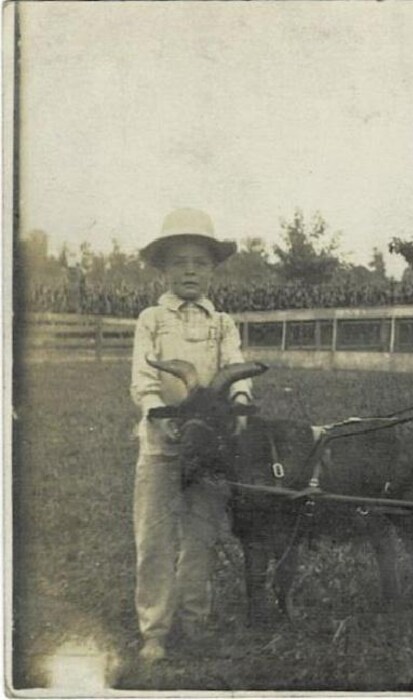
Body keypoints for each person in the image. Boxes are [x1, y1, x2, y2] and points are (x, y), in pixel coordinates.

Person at [129, 208, 252, 663]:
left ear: (213, 269)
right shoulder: (152, 319)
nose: (189, 271)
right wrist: (156, 414)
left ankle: (195, 619)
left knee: (201, 535)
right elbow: (143, 378)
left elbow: (236, 367)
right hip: (163, 444)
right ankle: (155, 629)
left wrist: (241, 399)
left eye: (200, 263)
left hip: (209, 446)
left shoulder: (221, 324)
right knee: (154, 538)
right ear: (163, 268)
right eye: (179, 262)